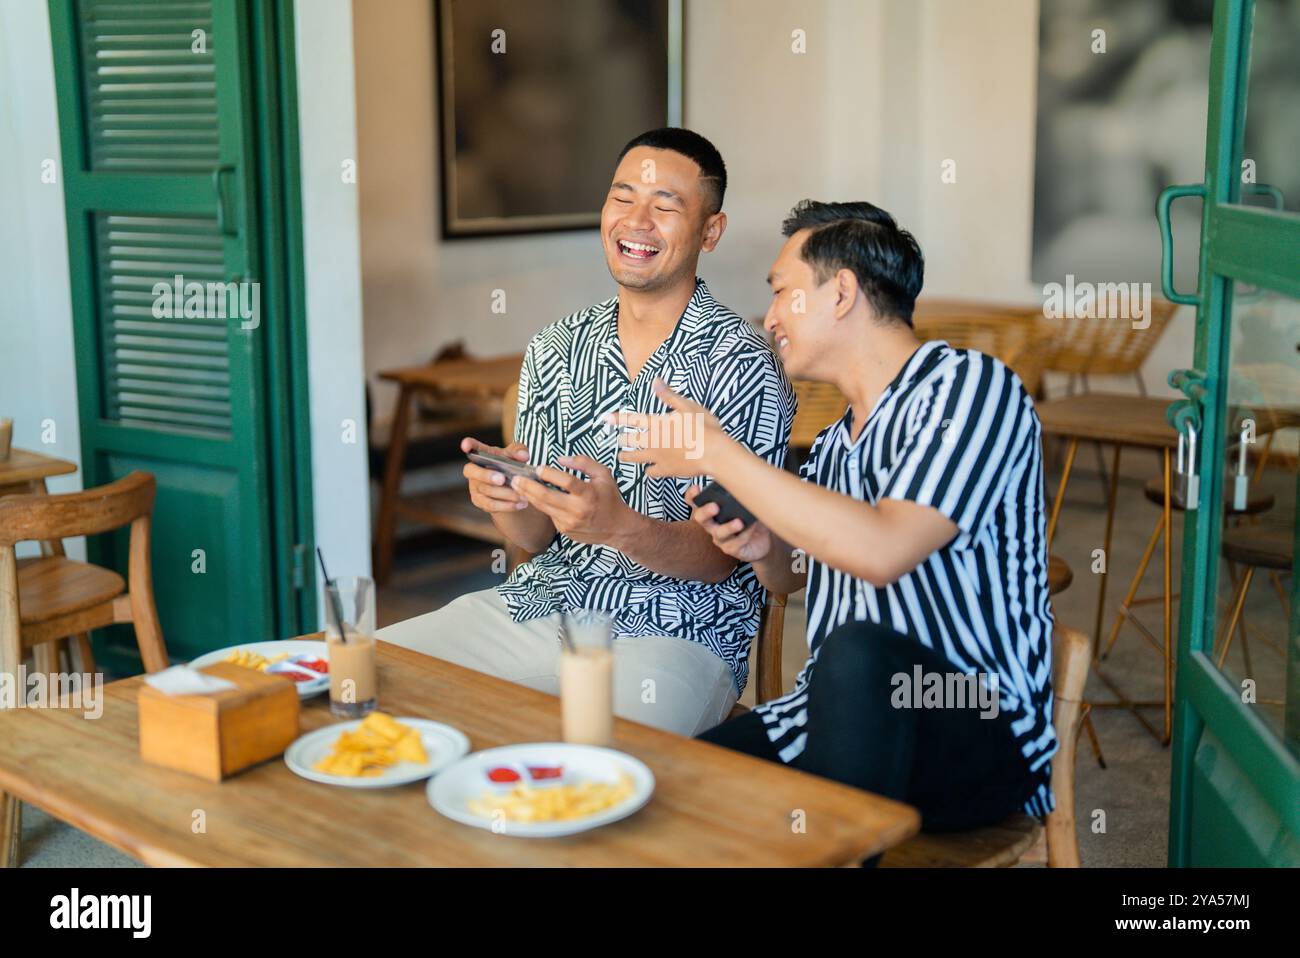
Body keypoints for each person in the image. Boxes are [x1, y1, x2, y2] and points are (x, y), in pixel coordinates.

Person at [617, 200, 1057, 831]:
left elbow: (883, 551)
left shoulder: (969, 388)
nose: (768, 319)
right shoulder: (830, 445)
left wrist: (720, 452)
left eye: (781, 292)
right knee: (665, 788)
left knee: (858, 656)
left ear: (842, 291)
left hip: (975, 727)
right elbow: (792, 577)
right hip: (825, 718)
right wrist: (759, 544)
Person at [379, 129, 794, 736]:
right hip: (538, 607)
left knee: (603, 766)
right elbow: (537, 538)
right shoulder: (556, 346)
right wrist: (508, 502)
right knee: (372, 678)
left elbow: (726, 562)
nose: (637, 221)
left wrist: (618, 525)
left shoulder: (745, 361)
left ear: (710, 231)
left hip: (679, 635)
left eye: (666, 205)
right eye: (622, 197)